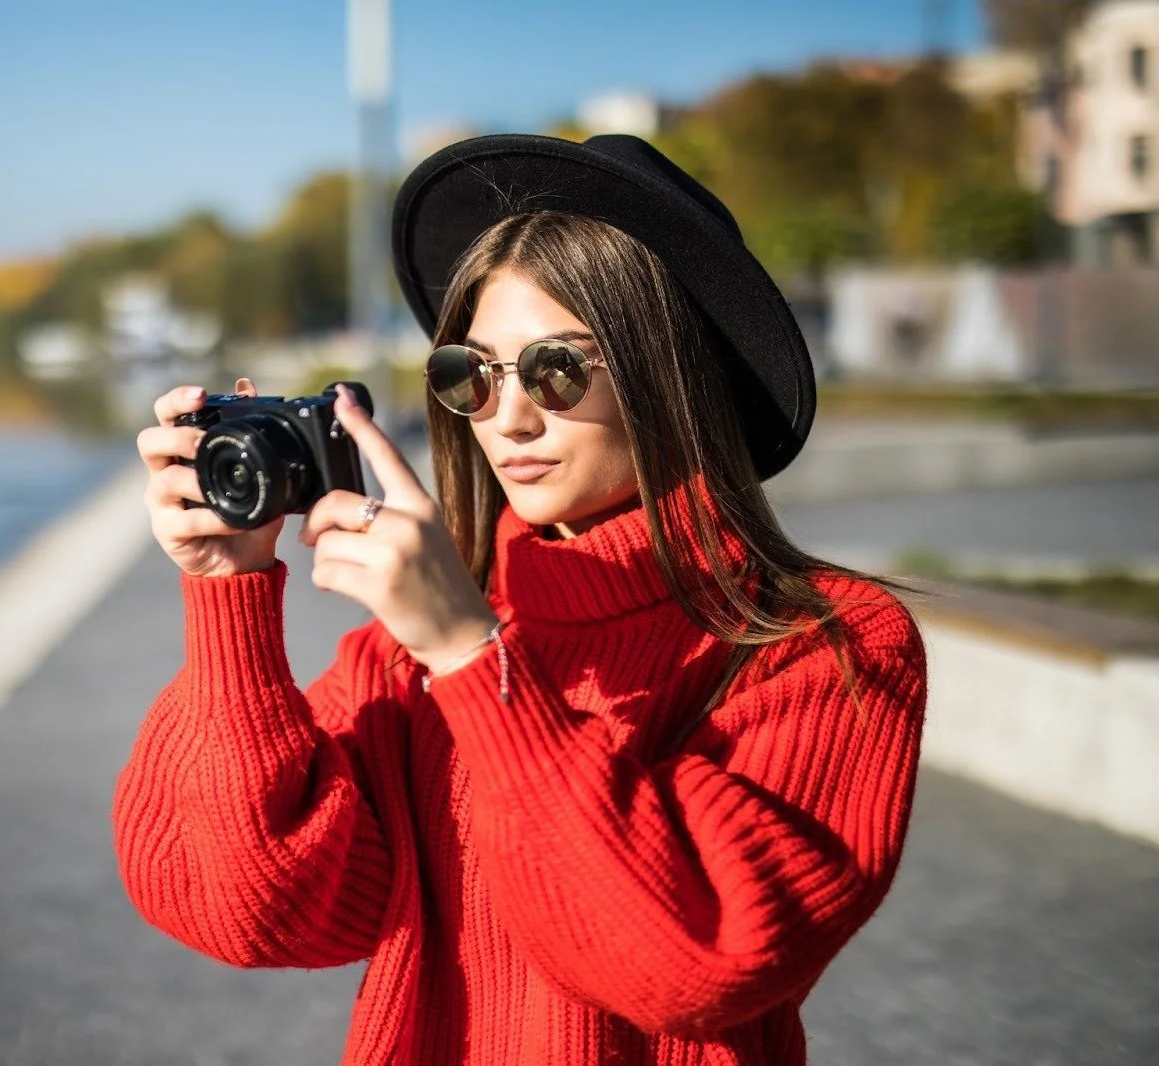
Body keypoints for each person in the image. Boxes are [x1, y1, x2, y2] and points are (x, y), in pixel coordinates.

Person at [112, 134, 928, 1065]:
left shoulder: (829, 645)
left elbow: (700, 964)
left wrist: (474, 660)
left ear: (669, 374)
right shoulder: (401, 657)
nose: (508, 417)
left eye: (557, 370)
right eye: (471, 373)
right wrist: (228, 598)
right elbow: (256, 909)